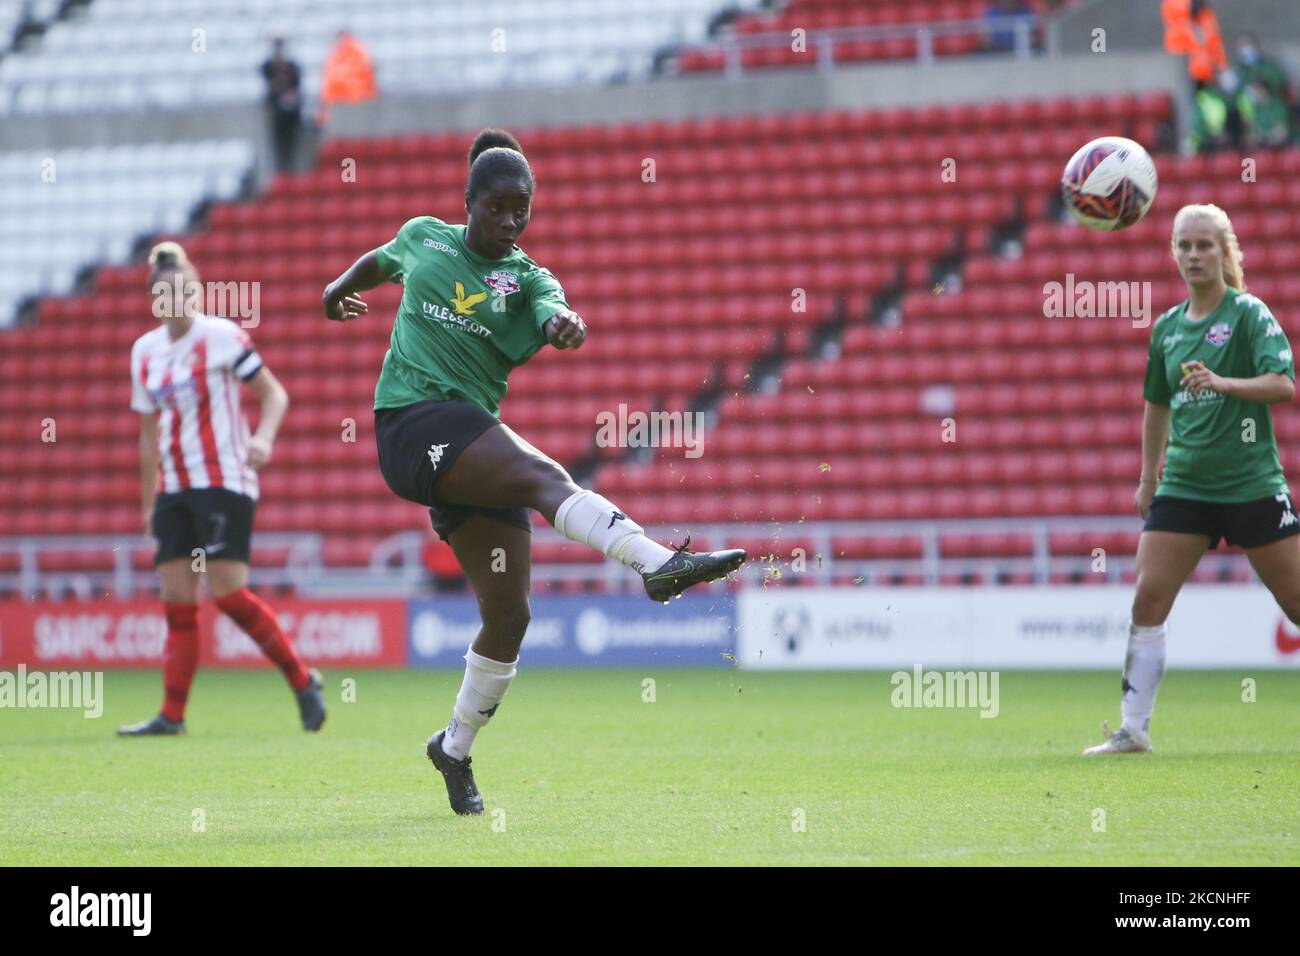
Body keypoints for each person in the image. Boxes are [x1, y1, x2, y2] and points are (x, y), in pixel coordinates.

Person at [322, 129, 746, 814]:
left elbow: (553, 306)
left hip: (465, 449)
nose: (512, 220)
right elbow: (381, 260)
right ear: (469, 203)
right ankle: (654, 561)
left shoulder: (526, 278)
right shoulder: (424, 238)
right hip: (411, 424)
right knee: (547, 480)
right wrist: (336, 288)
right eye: (498, 207)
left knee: (510, 616)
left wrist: (561, 325)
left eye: (523, 208)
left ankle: (453, 748)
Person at [1084, 205, 1297, 755]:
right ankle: (1133, 729)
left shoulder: (1248, 314)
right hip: (1184, 485)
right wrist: (1146, 478)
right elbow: (1156, 404)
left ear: (1224, 251)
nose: (1194, 255)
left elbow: (1283, 384)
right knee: (1147, 599)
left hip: (1251, 482)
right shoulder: (1167, 329)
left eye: (1205, 245)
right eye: (1185, 245)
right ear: (1174, 253)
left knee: (1296, 602)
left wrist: (1225, 383)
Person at [118, 242, 325, 736]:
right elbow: (148, 436)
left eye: (187, 290)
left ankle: (301, 680)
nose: (180, 299)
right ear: (155, 302)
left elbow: (274, 394)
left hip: (223, 482)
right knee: (178, 604)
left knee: (229, 595)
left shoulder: (223, 338)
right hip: (174, 491)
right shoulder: (144, 352)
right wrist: (149, 502)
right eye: (168, 294)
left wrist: (264, 437)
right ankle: (172, 716)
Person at [317, 30, 377, 126]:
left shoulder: (338, 55)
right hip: (354, 101)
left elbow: (330, 83)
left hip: (346, 101)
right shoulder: (359, 52)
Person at [260, 37, 302, 173]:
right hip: (277, 114)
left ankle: (289, 169)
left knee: (291, 141)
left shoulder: (292, 67)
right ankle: (281, 170)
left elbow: (295, 83)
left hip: (290, 115)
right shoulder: (268, 67)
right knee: (278, 142)